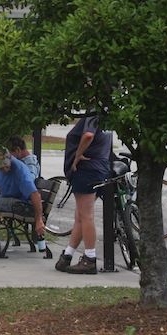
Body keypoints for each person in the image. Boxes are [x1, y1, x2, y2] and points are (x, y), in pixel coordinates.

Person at [55, 115, 112, 275]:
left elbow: (88, 135)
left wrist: (77, 156)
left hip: (87, 169)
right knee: (80, 216)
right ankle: (68, 254)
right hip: (100, 168)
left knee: (86, 216)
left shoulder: (94, 114)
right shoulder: (106, 114)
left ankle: (89, 258)